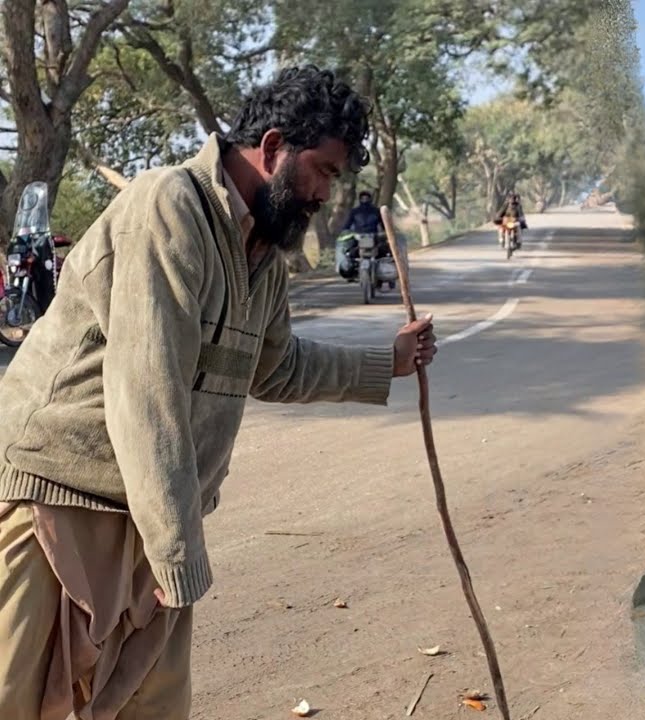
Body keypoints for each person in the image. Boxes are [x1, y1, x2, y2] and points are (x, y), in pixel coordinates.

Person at [0, 65, 437, 718]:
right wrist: (178, 556)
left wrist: (387, 363)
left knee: (152, 707)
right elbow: (146, 395)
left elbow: (277, 367)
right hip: (55, 500)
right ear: (272, 146)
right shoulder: (170, 208)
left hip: (151, 521)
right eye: (322, 169)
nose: (323, 192)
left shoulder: (263, 254)